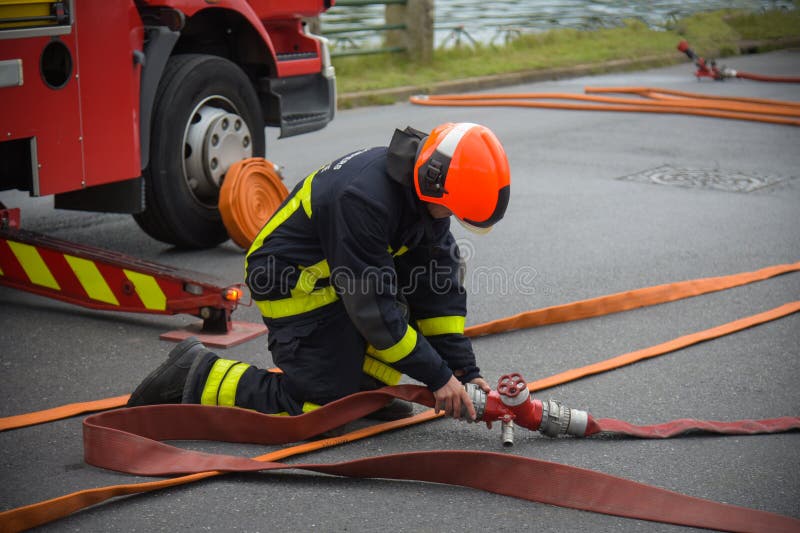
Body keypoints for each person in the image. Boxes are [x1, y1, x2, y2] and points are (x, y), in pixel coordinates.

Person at [128, 122, 511, 422]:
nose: (450, 218)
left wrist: (463, 371)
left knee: (417, 298)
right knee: (319, 410)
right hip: (289, 281)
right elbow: (374, 311)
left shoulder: (423, 197)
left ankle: (363, 394)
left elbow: (437, 292)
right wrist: (438, 378)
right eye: (452, 210)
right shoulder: (363, 199)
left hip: (337, 279)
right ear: (434, 183)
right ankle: (195, 374)